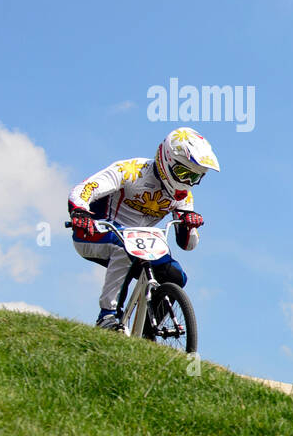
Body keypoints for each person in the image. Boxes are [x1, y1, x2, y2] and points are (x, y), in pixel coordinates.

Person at [67, 127, 218, 329]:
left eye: (195, 177)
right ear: (167, 160)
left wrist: (188, 225)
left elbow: (188, 245)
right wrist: (80, 212)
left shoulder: (183, 195)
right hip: (94, 233)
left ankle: (148, 333)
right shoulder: (131, 170)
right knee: (125, 249)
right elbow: (86, 188)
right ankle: (107, 317)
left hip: (141, 244)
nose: (187, 182)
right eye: (183, 173)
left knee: (175, 276)